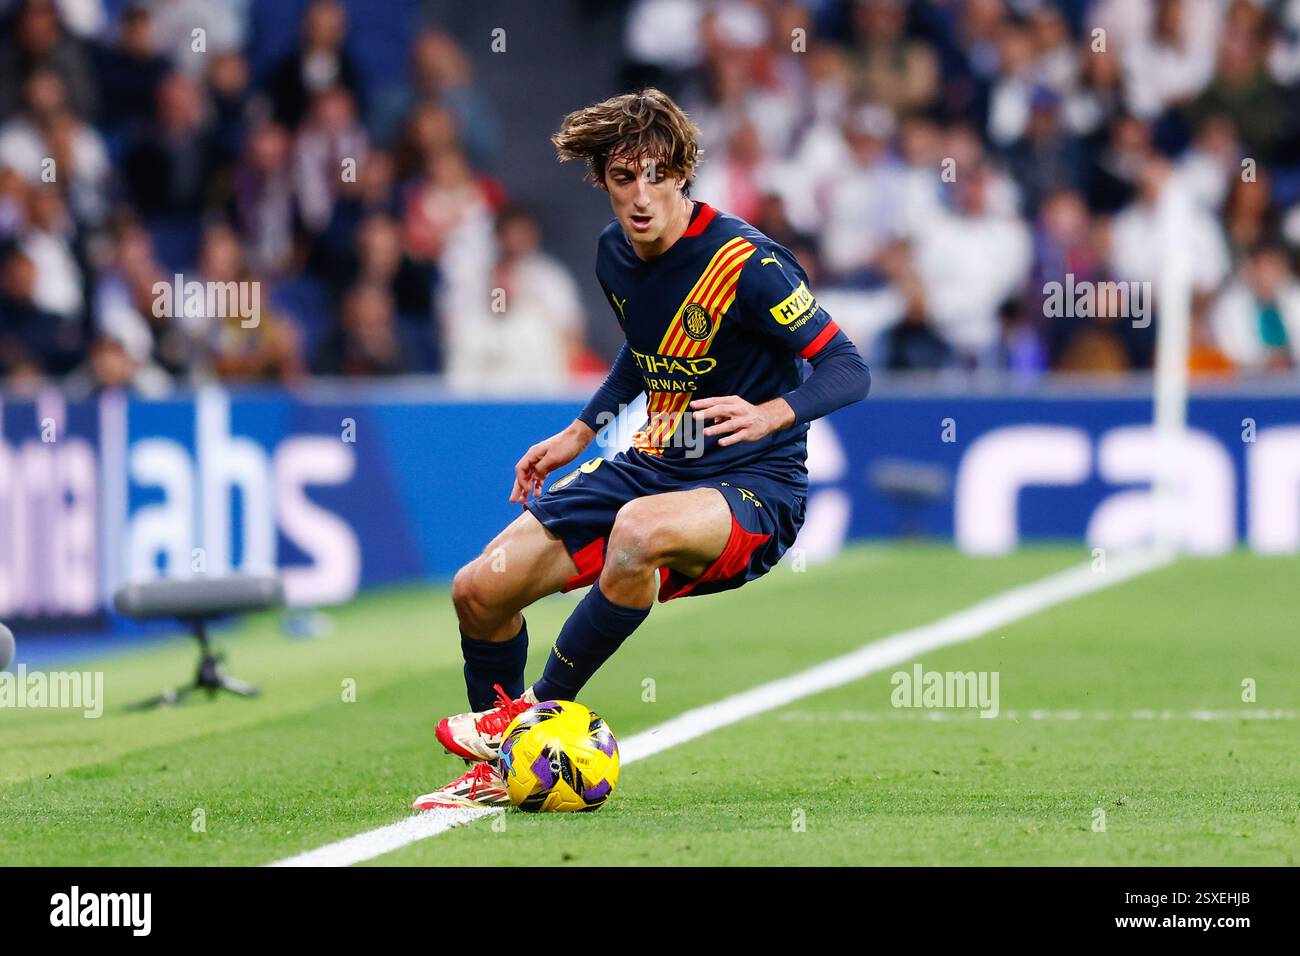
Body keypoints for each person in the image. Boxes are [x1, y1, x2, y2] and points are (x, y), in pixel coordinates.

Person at [412, 89, 871, 810]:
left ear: (682, 172)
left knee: (638, 532)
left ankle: (521, 725)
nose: (641, 196)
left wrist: (770, 413)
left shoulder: (748, 264)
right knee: (479, 589)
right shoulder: (612, 255)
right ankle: (502, 770)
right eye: (624, 178)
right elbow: (645, 347)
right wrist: (582, 430)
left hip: (754, 486)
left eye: (656, 175)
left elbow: (849, 366)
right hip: (655, 463)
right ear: (604, 181)